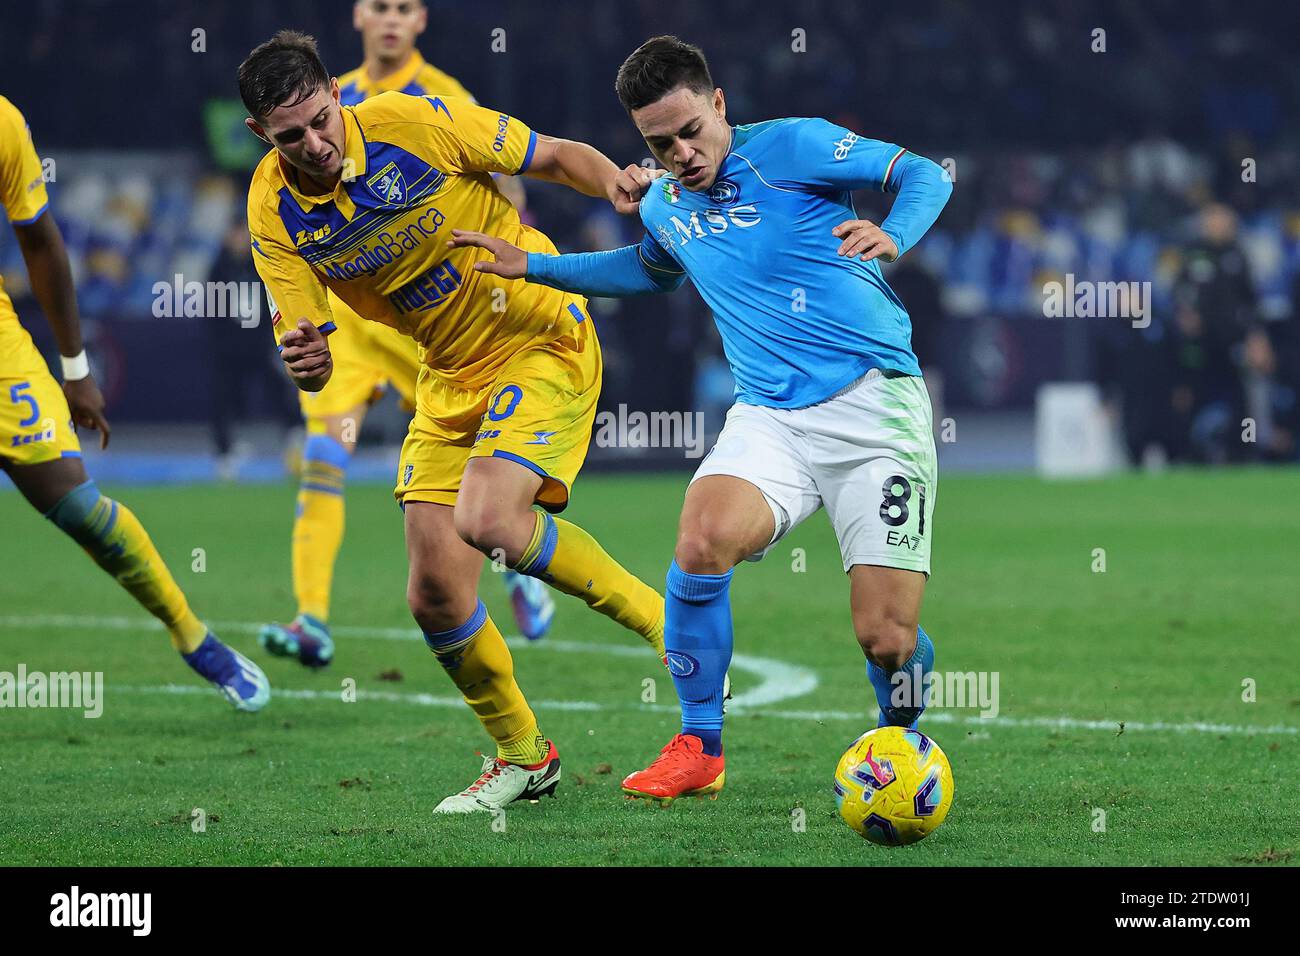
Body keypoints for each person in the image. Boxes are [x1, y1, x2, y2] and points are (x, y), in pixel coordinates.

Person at [450, 36, 952, 804]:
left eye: (691, 131)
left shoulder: (795, 145)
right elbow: (651, 270)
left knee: (885, 639)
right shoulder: (664, 200)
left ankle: (901, 723)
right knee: (700, 542)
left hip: (872, 406)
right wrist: (540, 267)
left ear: (719, 104)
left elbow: (921, 173)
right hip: (770, 417)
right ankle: (700, 745)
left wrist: (896, 234)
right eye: (660, 142)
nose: (681, 153)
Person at [238, 31, 666, 812]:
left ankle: (672, 629)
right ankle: (524, 757)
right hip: (448, 372)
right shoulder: (271, 209)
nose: (314, 145)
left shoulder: (416, 122)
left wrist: (618, 188)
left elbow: (554, 154)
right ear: (259, 136)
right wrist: (307, 358)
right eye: (289, 136)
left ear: (337, 93)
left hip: (537, 333)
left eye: (319, 121)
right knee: (435, 593)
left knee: (492, 518)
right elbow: (309, 337)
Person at [257, 0, 553, 670]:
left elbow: (504, 186)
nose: (389, 19)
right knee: (324, 455)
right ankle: (312, 617)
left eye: (403, 8)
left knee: (473, 467)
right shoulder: (318, 104)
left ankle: (515, 568)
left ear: (420, 20)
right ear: (357, 17)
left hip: (426, 325)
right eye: (378, 7)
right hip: (347, 331)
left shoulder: (439, 98)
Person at [0, 94, 269, 711]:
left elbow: (41, 243)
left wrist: (74, 368)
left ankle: (193, 636)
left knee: (79, 508)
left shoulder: (5, 123)